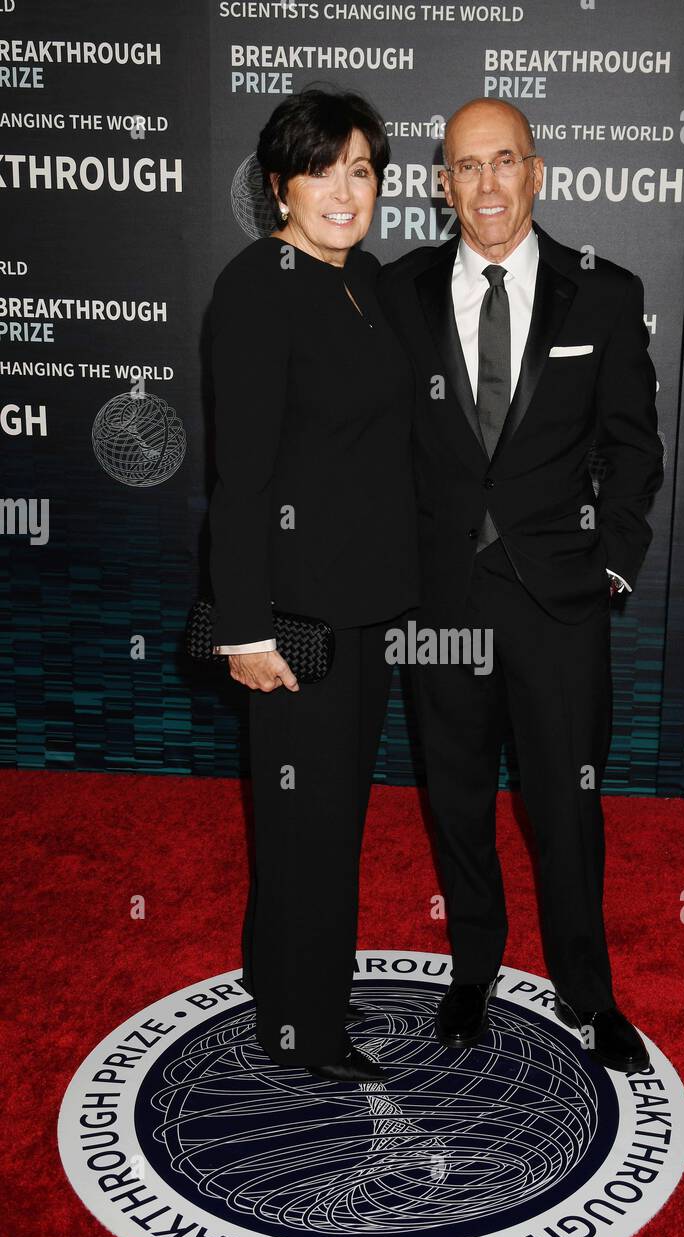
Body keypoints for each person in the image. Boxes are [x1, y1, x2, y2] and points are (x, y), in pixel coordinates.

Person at [377, 98, 664, 1073]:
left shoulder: (604, 296)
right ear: (440, 183)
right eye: (465, 166)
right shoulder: (397, 293)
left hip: (557, 606)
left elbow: (634, 449)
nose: (487, 184)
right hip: (439, 606)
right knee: (455, 796)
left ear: (538, 173)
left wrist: (613, 561)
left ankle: (589, 990)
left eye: (504, 161)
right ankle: (471, 969)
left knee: (565, 806)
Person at [208, 86, 419, 1083]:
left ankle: (274, 972)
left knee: (320, 816)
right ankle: (302, 1026)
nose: (346, 188)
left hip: (369, 606)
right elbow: (240, 476)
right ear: (279, 183)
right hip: (295, 617)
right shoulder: (261, 286)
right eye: (323, 167)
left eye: (363, 169)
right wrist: (246, 628)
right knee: (313, 825)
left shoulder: (364, 280)